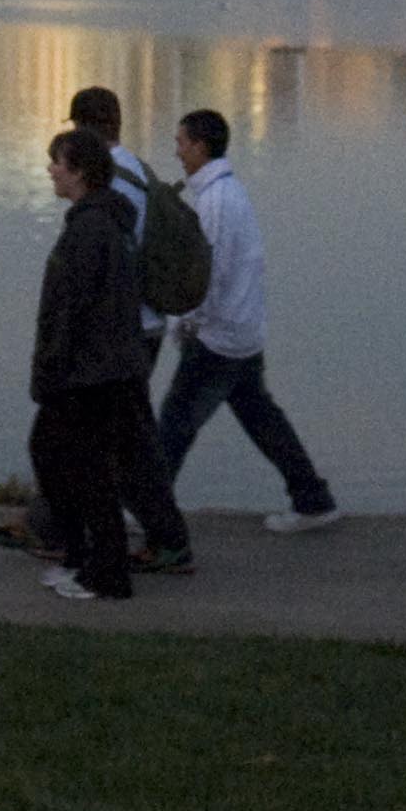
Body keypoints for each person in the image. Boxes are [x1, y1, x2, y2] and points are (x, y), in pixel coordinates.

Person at [0, 88, 196, 572]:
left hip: (114, 339)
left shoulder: (111, 187)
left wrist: (59, 359)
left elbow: (91, 282)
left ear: (84, 133)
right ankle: (59, 529)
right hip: (137, 329)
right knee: (103, 442)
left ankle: (109, 546)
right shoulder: (140, 173)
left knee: (111, 448)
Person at [152, 109, 341, 534]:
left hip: (219, 336)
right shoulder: (228, 192)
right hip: (243, 331)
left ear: (200, 146)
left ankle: (150, 509)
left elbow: (208, 270)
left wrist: (187, 321)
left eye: (180, 142)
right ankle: (312, 498)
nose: (176, 151)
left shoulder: (215, 201)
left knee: (176, 419)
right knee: (261, 418)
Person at [26, 126, 148, 601]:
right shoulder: (100, 223)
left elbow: (70, 310)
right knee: (59, 457)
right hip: (102, 369)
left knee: (84, 469)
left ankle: (107, 573)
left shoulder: (90, 230)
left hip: (88, 375)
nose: (50, 170)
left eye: (58, 162)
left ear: (78, 172)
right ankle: (82, 558)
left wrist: (50, 373)